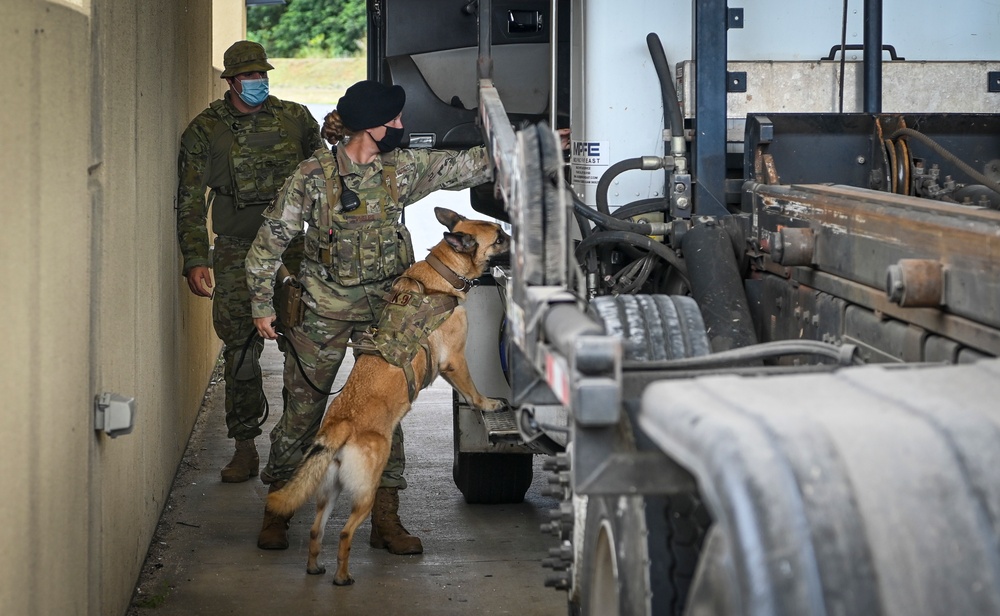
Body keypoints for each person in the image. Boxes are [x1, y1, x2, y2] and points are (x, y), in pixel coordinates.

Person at [245, 79, 494, 552]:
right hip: (320, 309)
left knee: (385, 410)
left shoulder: (399, 169)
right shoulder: (313, 176)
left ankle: (386, 519)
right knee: (302, 412)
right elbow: (266, 246)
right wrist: (262, 306)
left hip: (388, 310)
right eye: (394, 120)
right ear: (371, 126)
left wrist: (535, 143)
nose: (402, 126)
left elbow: (469, 166)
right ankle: (277, 510)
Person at [176, 41, 323, 484]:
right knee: (240, 349)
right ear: (231, 81)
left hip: (293, 247)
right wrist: (195, 257)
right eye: (249, 77)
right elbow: (188, 198)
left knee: (303, 345)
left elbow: (327, 175)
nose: (258, 83)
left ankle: (296, 445)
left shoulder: (295, 118)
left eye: (263, 75)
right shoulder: (205, 130)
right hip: (238, 246)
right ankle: (244, 446)